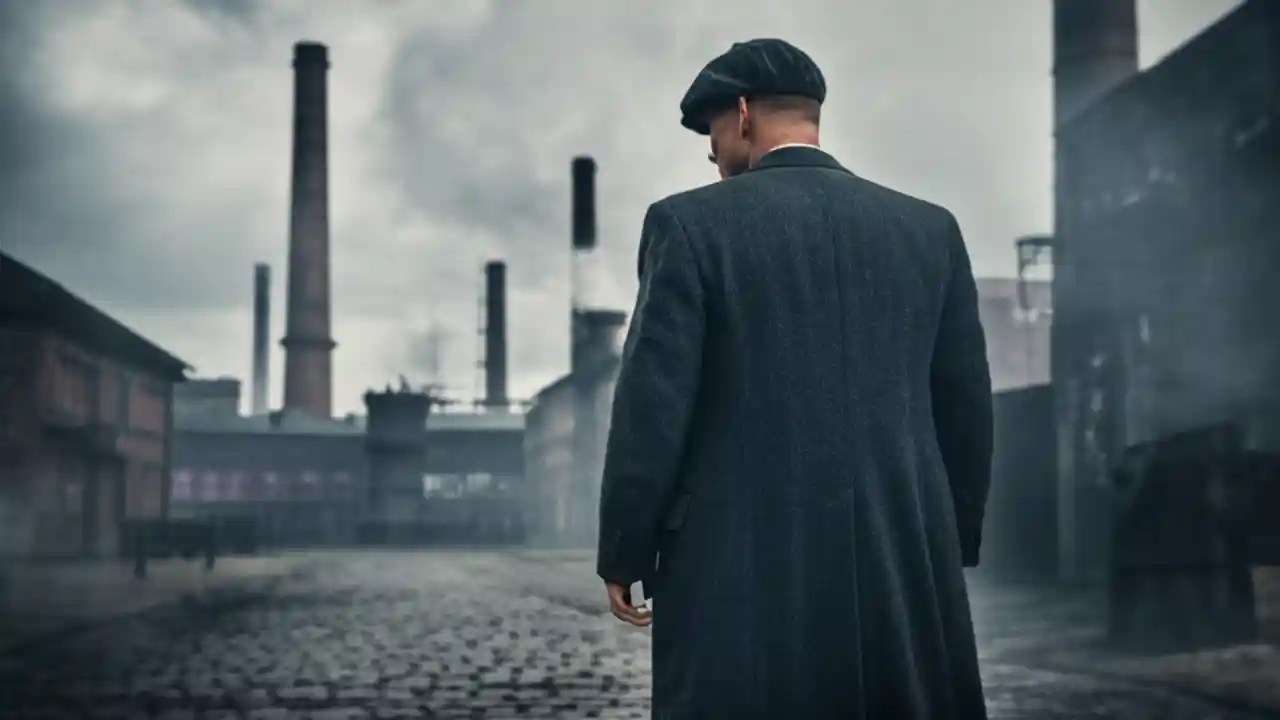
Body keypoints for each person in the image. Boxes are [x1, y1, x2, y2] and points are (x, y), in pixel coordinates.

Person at [596, 38, 993, 718]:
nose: (712, 153)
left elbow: (653, 407)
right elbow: (963, 404)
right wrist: (942, 540)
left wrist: (624, 548)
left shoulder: (688, 225)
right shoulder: (930, 230)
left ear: (743, 115)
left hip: (735, 565)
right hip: (898, 551)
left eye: (714, 131)